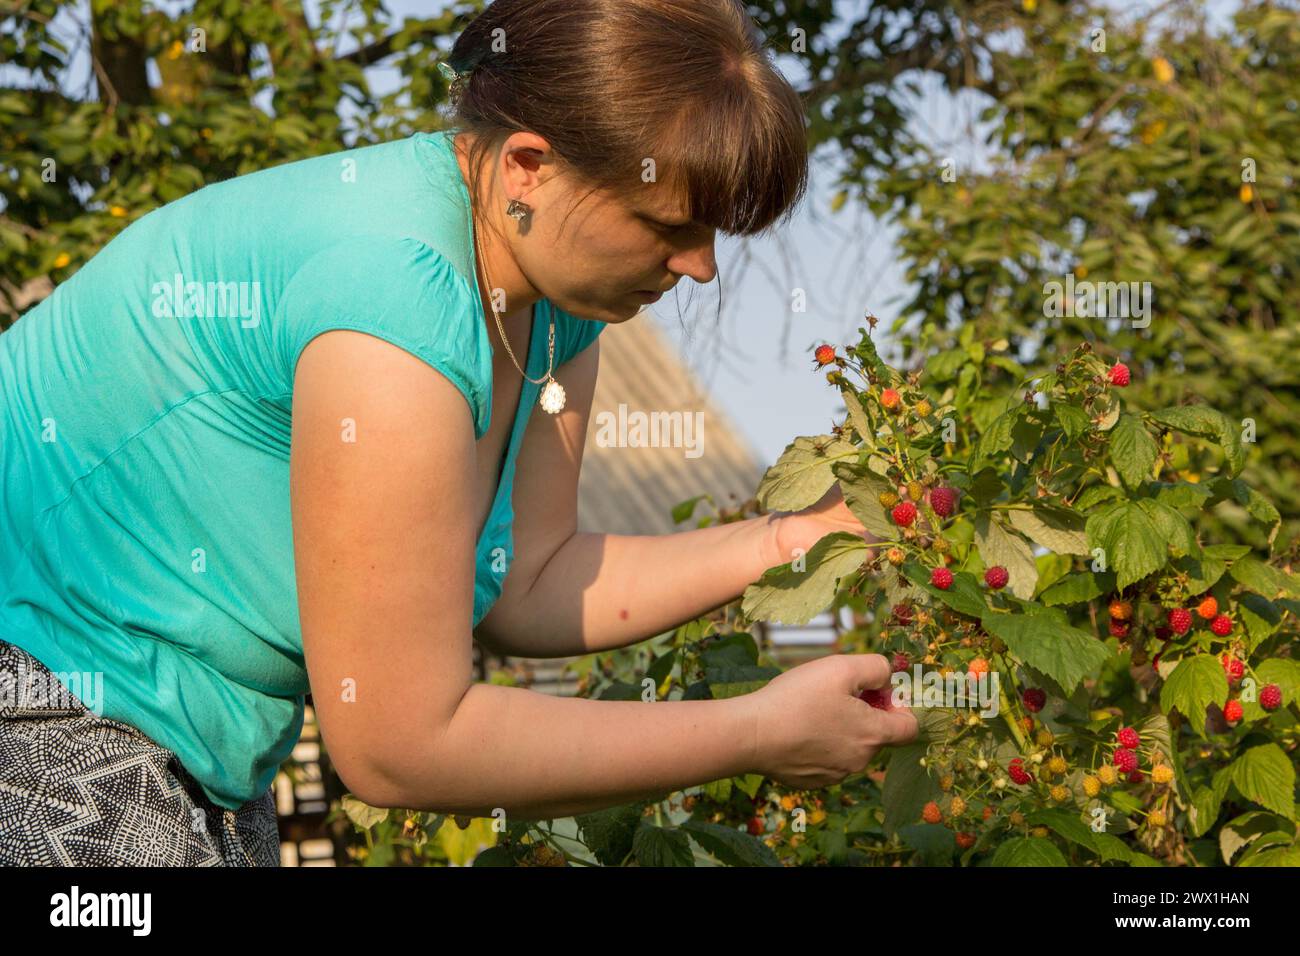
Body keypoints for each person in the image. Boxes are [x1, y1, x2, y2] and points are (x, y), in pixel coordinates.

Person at [0, 0, 917, 867]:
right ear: (528, 166)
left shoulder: (558, 313)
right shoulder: (393, 299)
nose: (700, 267)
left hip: (172, 744)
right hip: (46, 720)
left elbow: (530, 582)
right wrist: (757, 732)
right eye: (667, 223)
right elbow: (399, 745)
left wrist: (792, 539)